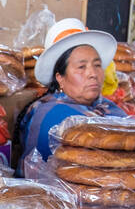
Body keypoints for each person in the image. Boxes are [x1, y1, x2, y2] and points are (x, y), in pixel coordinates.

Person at [17, 18, 126, 171]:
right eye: (81, 67)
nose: (92, 73)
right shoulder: (52, 114)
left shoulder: (107, 107)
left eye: (97, 65)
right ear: (60, 78)